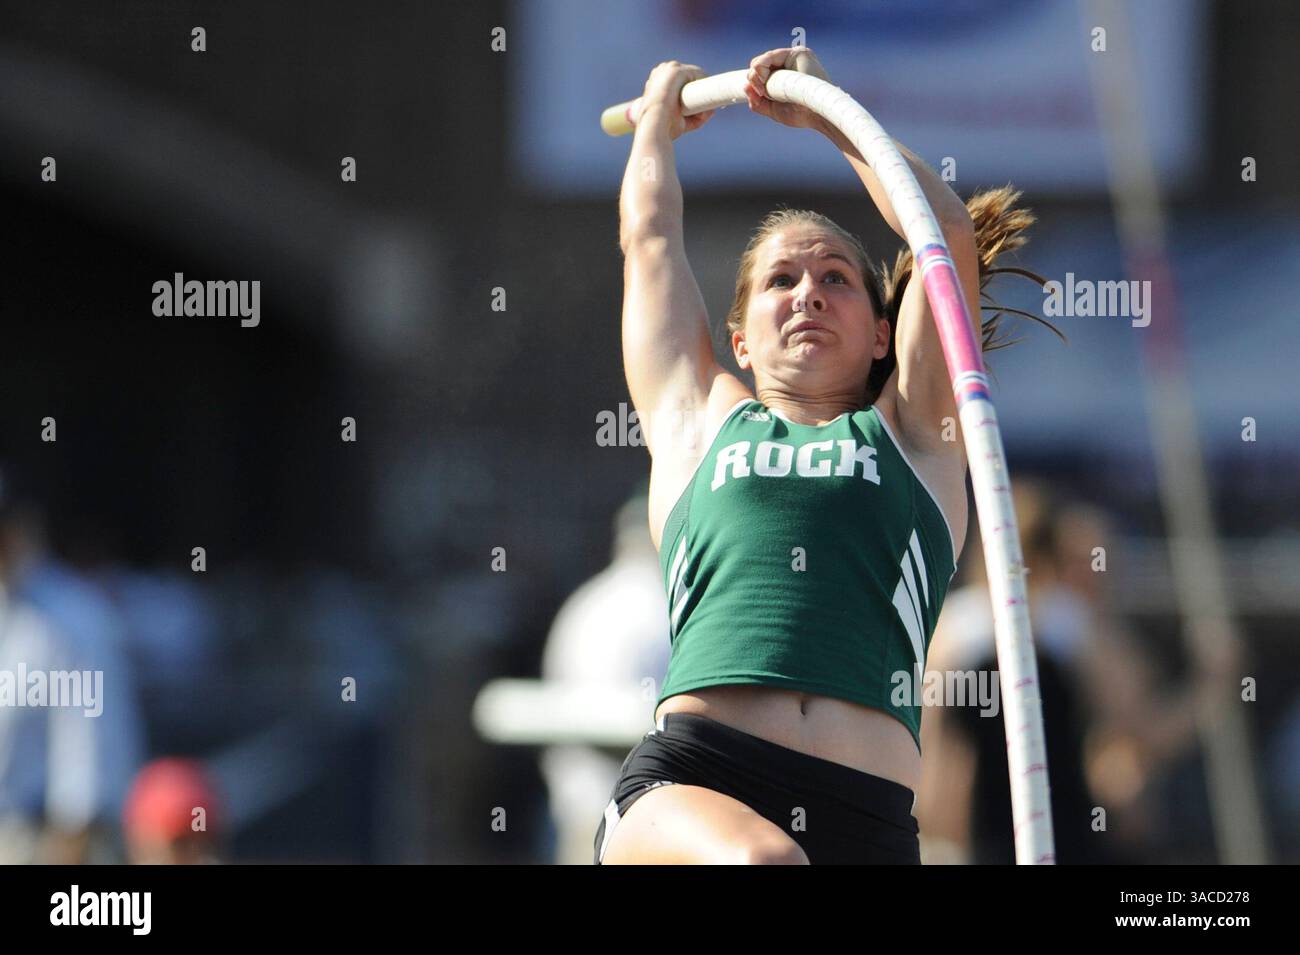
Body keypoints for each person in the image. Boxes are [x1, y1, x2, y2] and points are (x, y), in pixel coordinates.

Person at [595, 48, 1059, 864]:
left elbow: (944, 234)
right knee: (767, 862)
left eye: (836, 277)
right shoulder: (699, 422)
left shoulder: (918, 437)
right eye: (781, 280)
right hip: (698, 785)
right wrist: (656, 130)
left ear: (884, 329)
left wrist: (829, 116)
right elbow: (650, 242)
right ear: (740, 339)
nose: (807, 292)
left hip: (868, 823)